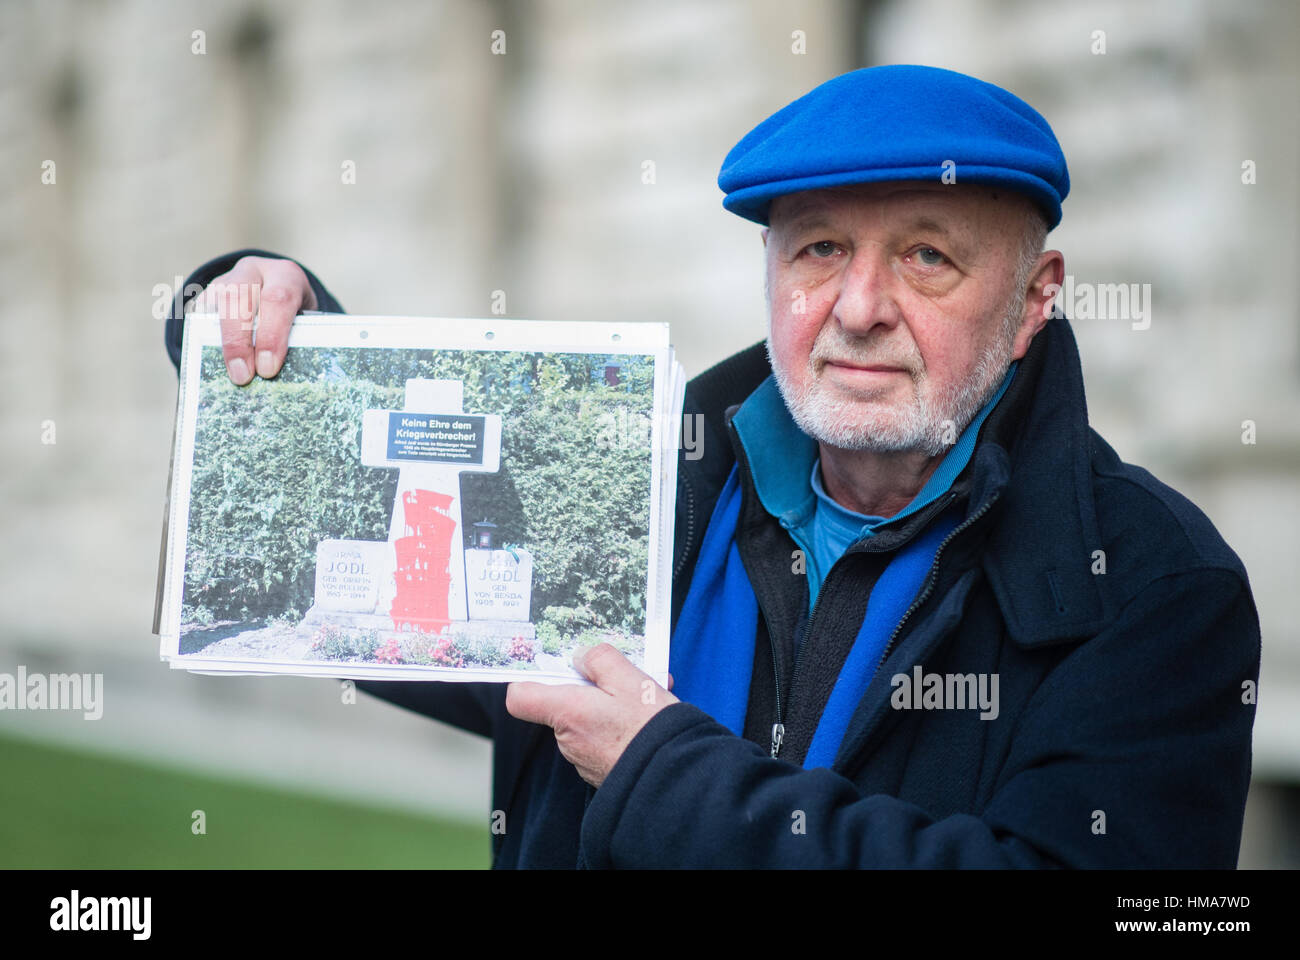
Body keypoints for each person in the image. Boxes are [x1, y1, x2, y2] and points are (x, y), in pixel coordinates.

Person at [164, 65, 1260, 868]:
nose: (861, 307)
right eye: (820, 248)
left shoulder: (1158, 590)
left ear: (1033, 298)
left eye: (927, 255)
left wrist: (666, 779)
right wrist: (261, 329)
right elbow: (388, 560)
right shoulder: (635, 476)